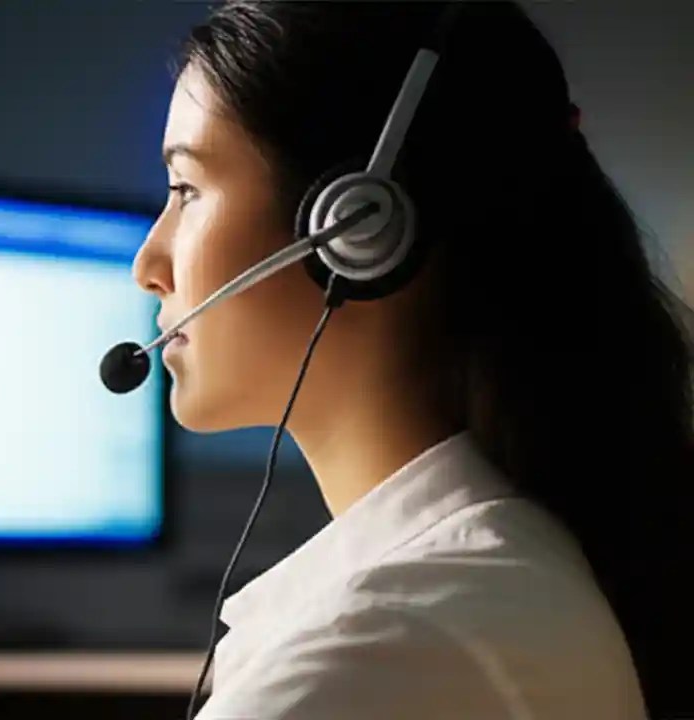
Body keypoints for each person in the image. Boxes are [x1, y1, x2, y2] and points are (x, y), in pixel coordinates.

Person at [131, 2, 694, 718]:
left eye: (186, 190)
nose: (148, 263)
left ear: (357, 225)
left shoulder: (383, 648)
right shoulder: (474, 590)